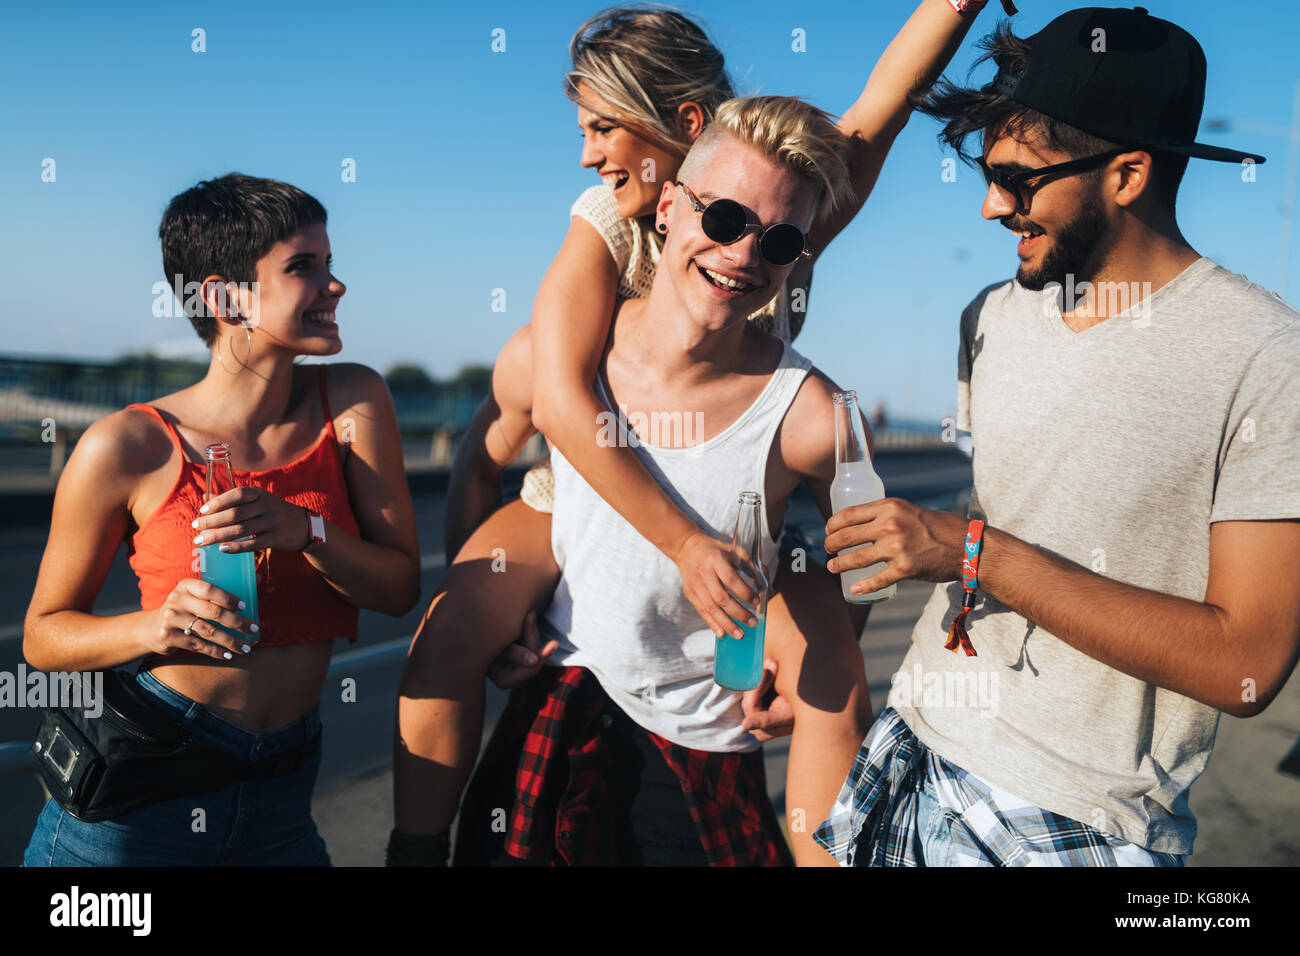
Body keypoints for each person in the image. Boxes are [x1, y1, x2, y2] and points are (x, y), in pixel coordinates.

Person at [391, 0, 997, 867]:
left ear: (676, 124)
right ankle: (411, 848)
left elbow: (879, 110)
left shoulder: (781, 213)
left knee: (831, 676)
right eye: (719, 223)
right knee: (448, 630)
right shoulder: (603, 221)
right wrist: (511, 616)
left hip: (743, 487)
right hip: (580, 481)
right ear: (677, 203)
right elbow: (553, 403)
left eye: (604, 126)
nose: (588, 152)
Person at [815, 7, 1300, 866]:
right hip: (912, 742)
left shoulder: (1268, 355)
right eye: (984, 171)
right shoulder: (990, 317)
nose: (990, 205)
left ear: (1128, 174)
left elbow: (1247, 663)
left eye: (1017, 178)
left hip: (1075, 819)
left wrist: (975, 553)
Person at [411, 96, 872, 867]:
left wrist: (814, 659)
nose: (743, 255)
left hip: (707, 743)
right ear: (666, 209)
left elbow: (869, 558)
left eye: (780, 239)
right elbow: (480, 460)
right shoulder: (565, 357)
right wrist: (494, 611)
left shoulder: (817, 417)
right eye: (724, 220)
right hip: (563, 696)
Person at [22, 173, 421, 866]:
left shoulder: (355, 401)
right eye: (304, 267)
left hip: (284, 796)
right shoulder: (127, 445)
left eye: (330, 263)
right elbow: (42, 637)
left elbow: (397, 589)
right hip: (140, 801)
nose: (336, 285)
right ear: (224, 297)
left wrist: (308, 531)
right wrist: (155, 626)